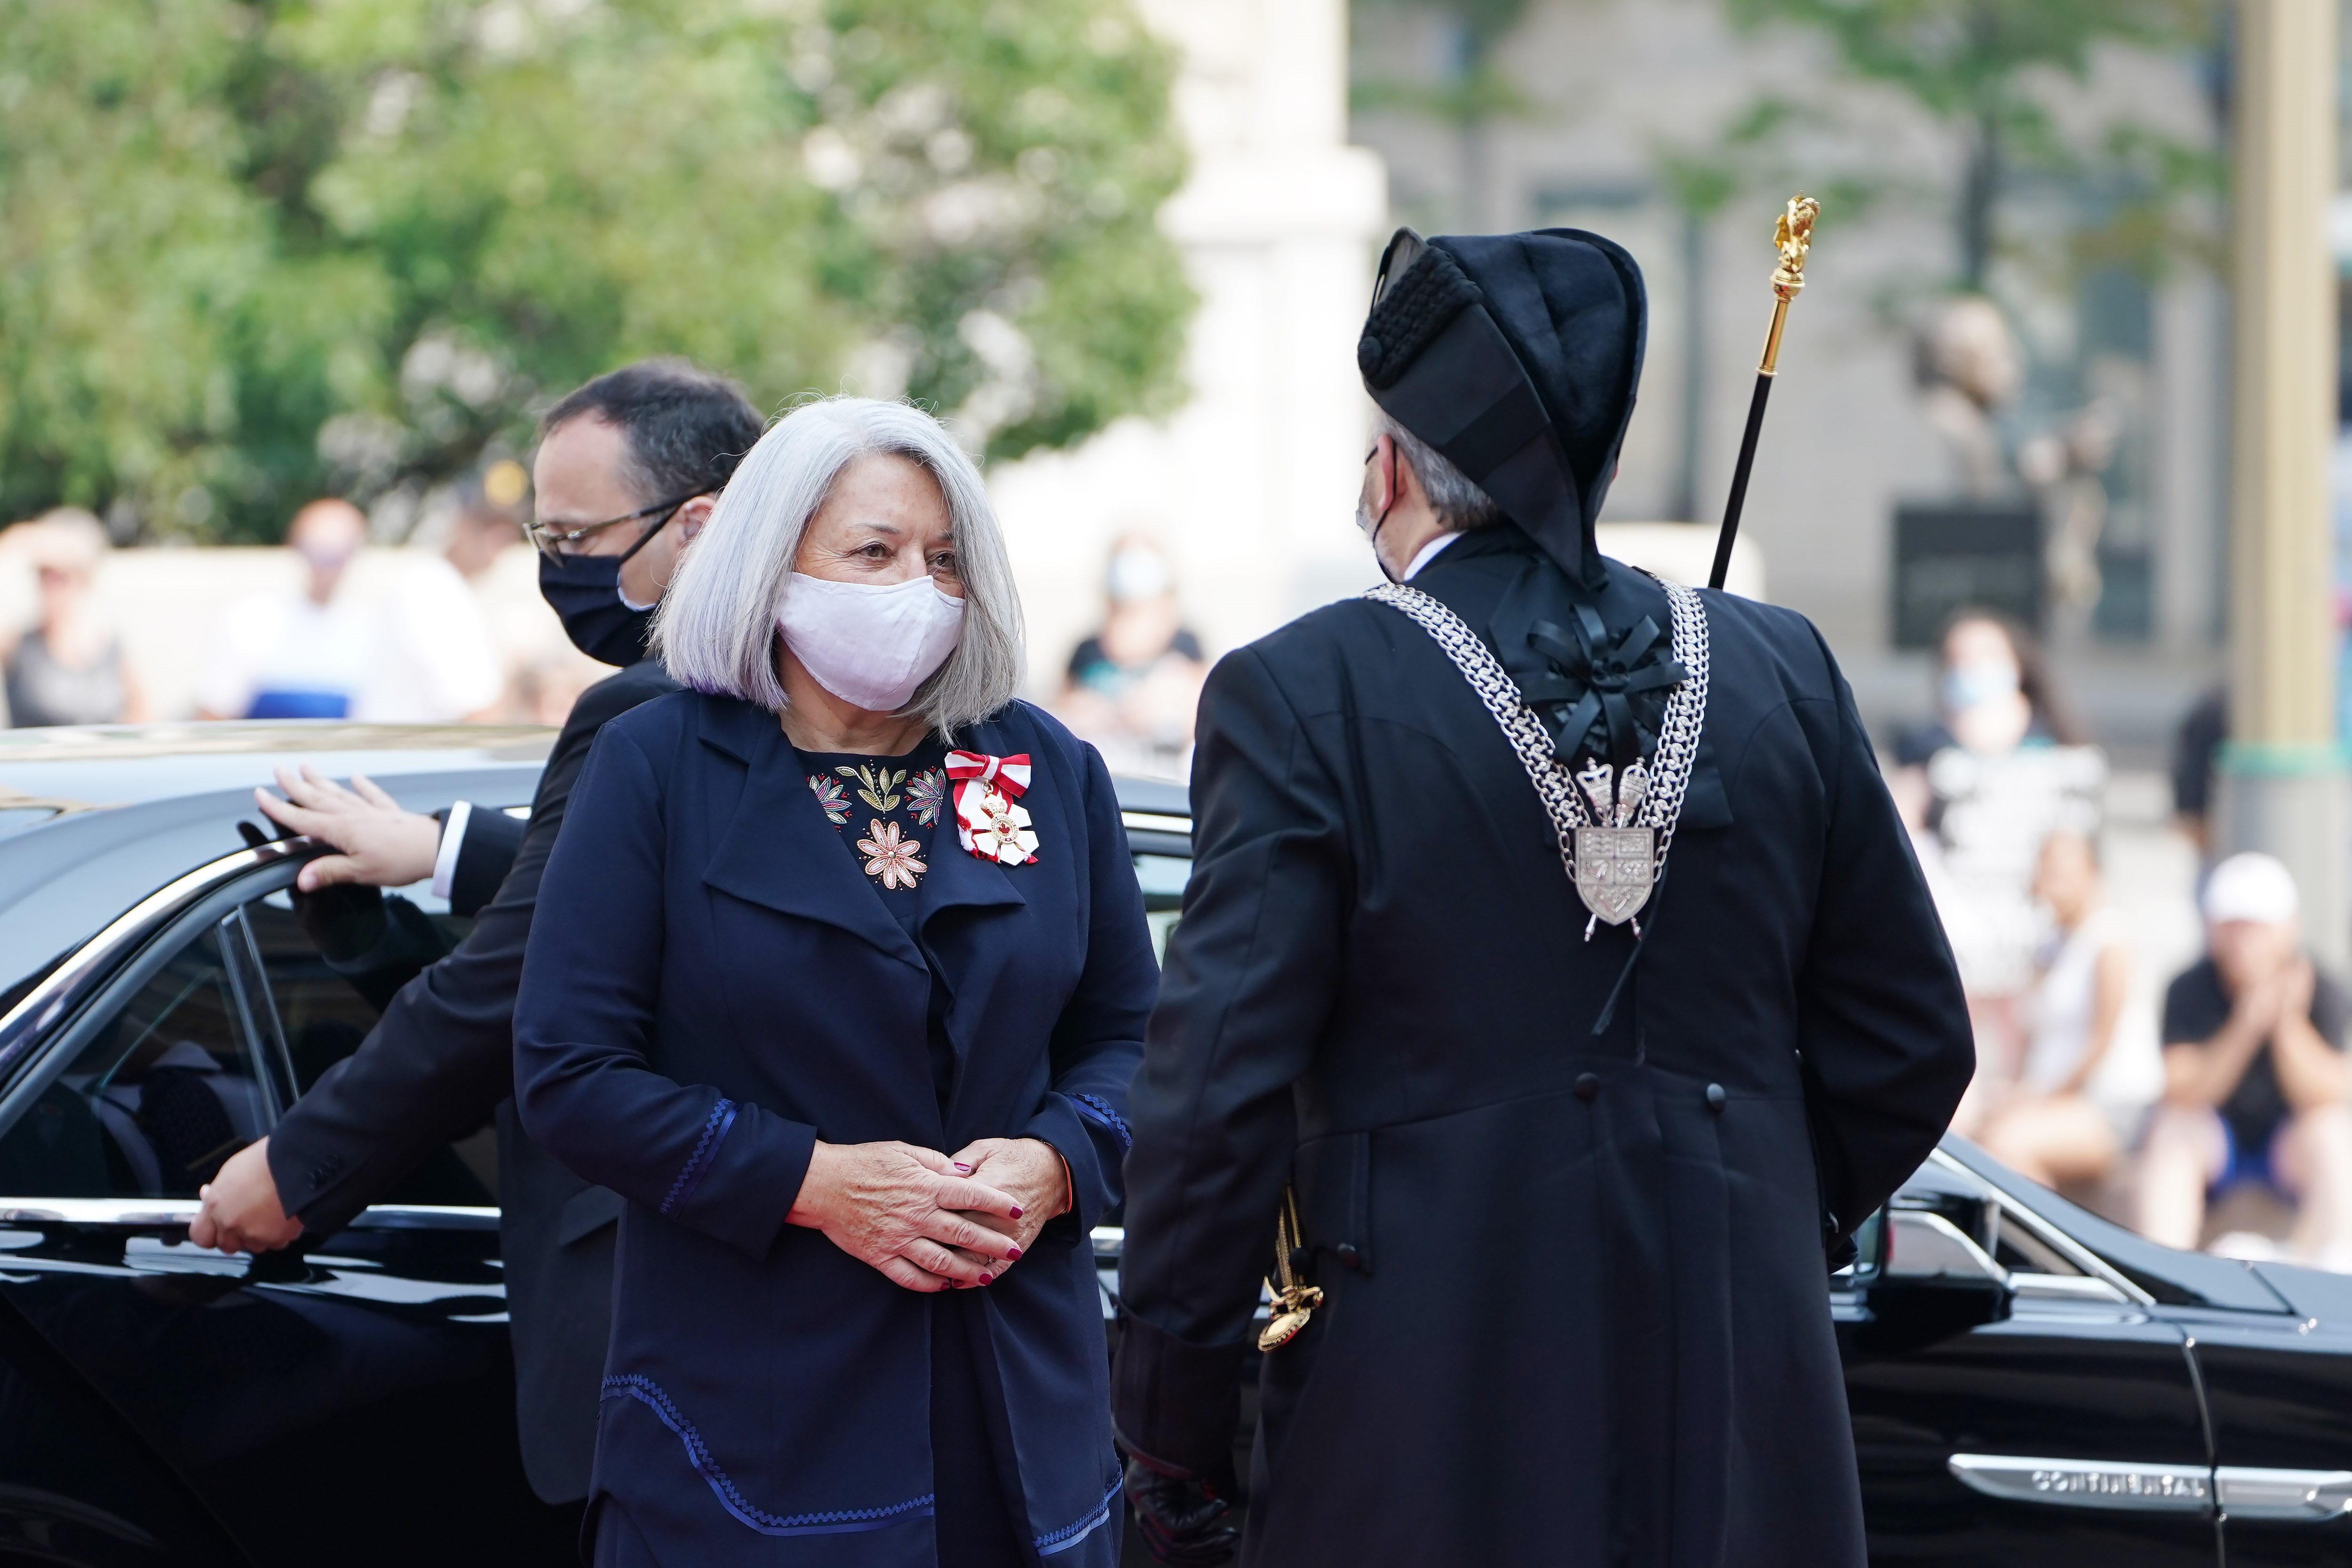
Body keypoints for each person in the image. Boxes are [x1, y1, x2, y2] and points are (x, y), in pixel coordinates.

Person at [1112, 227, 1975, 1567]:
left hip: (1419, 1401)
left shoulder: (1301, 687)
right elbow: (1911, 1041)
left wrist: (1168, 1428)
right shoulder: (1778, 664)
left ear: (1392, 464)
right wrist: (1741, 1198)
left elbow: (1214, 1089)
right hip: (1738, 1401)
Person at [512, 396, 1156, 1568]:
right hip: (753, 1425)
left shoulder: (1034, 767)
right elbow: (570, 1072)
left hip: (1018, 1404)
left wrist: (1061, 1160)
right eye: (875, 552)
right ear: (770, 563)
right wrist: (812, 1183)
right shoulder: (658, 767)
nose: (919, 585)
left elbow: (1138, 1040)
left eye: (946, 558)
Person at [187, 359, 764, 1515]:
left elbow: (509, 991)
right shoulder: (804, 693)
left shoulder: (649, 708)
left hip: (673, 1342)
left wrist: (294, 1170)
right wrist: (451, 849)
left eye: (576, 533)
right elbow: (694, 897)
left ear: (697, 525)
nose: (556, 569)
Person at [1893, 608, 2102, 1125]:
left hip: (2030, 942)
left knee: (2017, 1073)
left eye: (1985, 657)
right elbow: (1899, 833)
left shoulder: (2054, 743)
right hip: (1958, 942)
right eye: (1959, 660)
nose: (1972, 671)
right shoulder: (1925, 748)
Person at [2138, 852, 2352, 1267]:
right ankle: (2165, 1267)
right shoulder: (2188, 988)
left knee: (2331, 1132)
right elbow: (2182, 1088)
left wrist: (2286, 1024)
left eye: (2257, 927)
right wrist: (2246, 1025)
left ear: (2289, 928)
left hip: (2286, 1144)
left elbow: (2328, 1091)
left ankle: (2334, 1268)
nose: (2244, 941)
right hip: (2217, 1141)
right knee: (2173, 1131)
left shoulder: (2324, 988)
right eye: (2232, 926)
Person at [1978, 830, 2161, 1190]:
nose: (2052, 882)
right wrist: (2018, 1090)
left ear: (2092, 873)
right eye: (2047, 871)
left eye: (2064, 871)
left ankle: (2038, 1240)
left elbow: (2101, 1042)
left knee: (2004, 1143)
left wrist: (2039, 1098)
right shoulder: (2050, 945)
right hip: (2057, 1100)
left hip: (2108, 1107)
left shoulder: (2110, 939)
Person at [353, 476, 517, 723]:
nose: (497, 540)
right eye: (486, 526)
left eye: (507, 528)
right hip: (411, 753)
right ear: (461, 524)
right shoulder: (431, 592)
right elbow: (474, 709)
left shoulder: (448, 588)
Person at [195, 499, 373, 720]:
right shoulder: (251, 621)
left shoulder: (372, 630)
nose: (327, 565)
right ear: (297, 546)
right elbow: (214, 714)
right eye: (319, 550)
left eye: (337, 553)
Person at [1055, 532, 1208, 777]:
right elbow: (1056, 717)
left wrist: (1165, 706)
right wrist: (1089, 712)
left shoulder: (1186, 647)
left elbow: (1207, 716)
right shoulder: (1086, 652)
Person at [1, 508, 146, 726]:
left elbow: (143, 714)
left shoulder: (109, 647)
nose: (51, 585)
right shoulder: (19, 646)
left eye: (62, 576)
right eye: (44, 574)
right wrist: (30, 540)